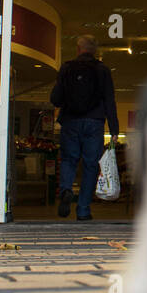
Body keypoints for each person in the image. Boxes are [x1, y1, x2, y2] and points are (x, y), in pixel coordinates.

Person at [50, 34, 119, 221]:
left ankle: (65, 189)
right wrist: (114, 130)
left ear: (78, 49)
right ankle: (83, 210)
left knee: (68, 160)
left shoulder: (67, 68)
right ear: (94, 51)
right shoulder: (102, 70)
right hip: (95, 123)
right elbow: (109, 101)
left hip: (71, 121)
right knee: (90, 166)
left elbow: (55, 98)